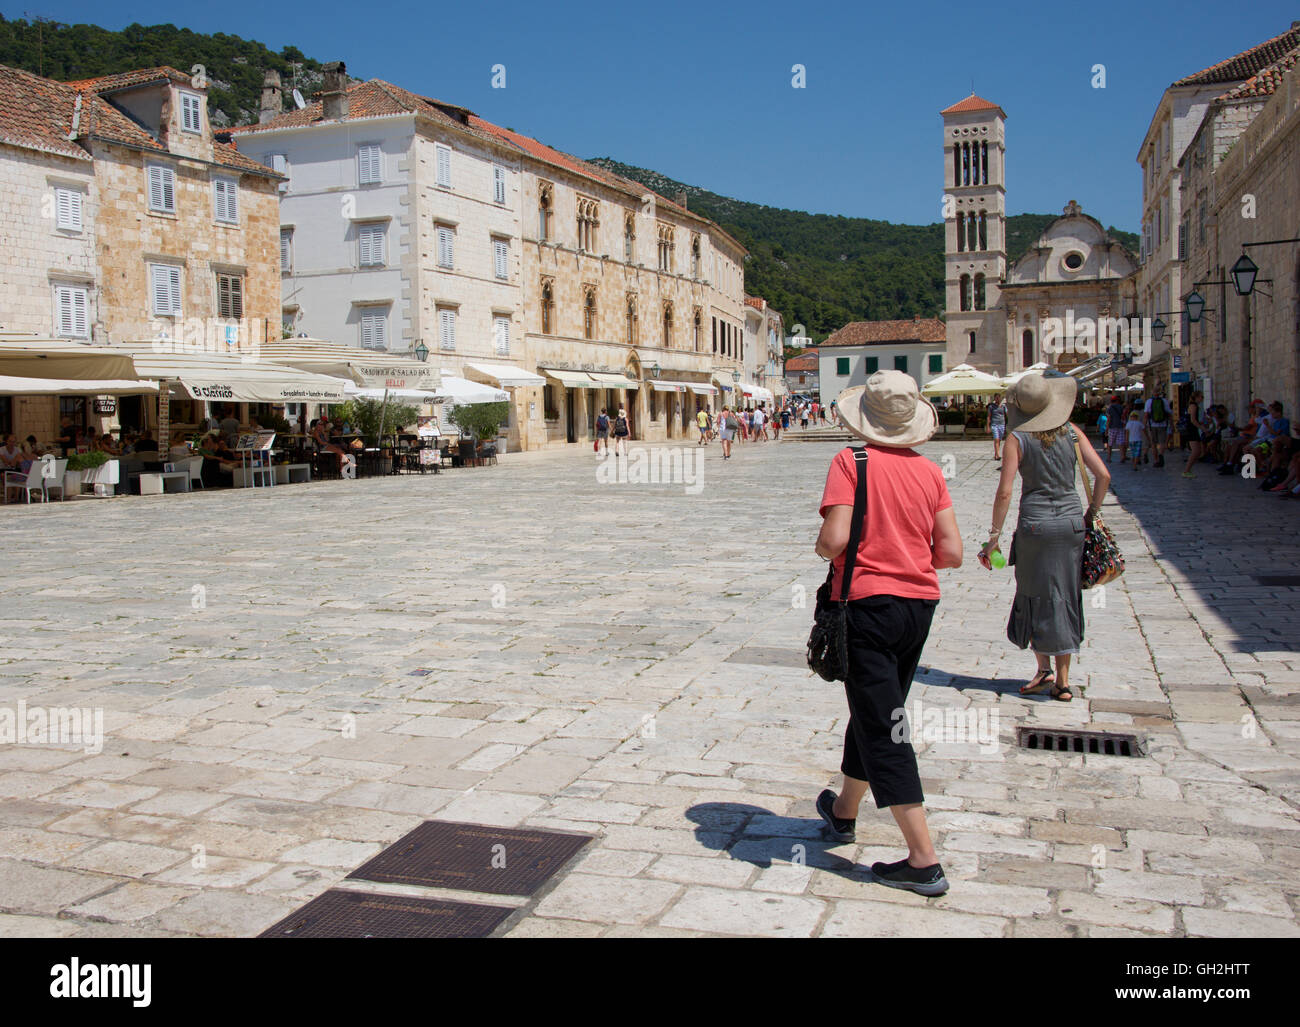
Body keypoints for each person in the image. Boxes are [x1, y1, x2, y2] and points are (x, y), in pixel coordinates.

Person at [814, 370, 962, 896]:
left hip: (866, 607)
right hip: (919, 607)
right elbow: (952, 552)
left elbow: (835, 538)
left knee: (885, 726)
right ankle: (844, 810)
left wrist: (825, 546)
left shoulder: (850, 462)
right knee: (880, 706)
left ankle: (923, 859)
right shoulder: (929, 473)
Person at [980, 372, 1110, 703]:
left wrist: (993, 537)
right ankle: (1063, 681)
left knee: (1035, 594)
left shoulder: (1016, 439)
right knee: (1065, 594)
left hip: (1034, 526)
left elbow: (1005, 491)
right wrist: (1092, 512)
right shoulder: (1074, 434)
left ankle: (1043, 671)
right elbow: (1103, 475)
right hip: (1070, 525)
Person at [1144, 388, 1170, 467]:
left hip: (1152, 425)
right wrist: (1171, 424)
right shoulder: (1164, 401)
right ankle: (1161, 454)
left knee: (1153, 443)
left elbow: (1146, 414)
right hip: (1163, 424)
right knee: (1162, 442)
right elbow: (1169, 413)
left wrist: (1144, 424)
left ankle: (1156, 460)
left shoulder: (1149, 401)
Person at [1181, 391, 1205, 478]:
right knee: (1195, 451)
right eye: (1201, 397)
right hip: (1192, 430)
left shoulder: (1192, 405)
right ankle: (1186, 470)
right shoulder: (1193, 406)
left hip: (1192, 430)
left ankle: (1188, 469)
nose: (1202, 399)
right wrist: (1202, 428)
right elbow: (1193, 420)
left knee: (1198, 451)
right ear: (1197, 397)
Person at [1104, 394, 1125, 462]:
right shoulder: (1121, 407)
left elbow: (1109, 419)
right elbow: (1123, 417)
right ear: (1117, 400)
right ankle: (1122, 457)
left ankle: (1109, 458)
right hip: (1120, 426)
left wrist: (1106, 429)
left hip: (1112, 427)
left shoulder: (1110, 408)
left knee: (1110, 443)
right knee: (1120, 443)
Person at [988, 395, 1007, 461]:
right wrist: (988, 426)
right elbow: (989, 416)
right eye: (996, 398)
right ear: (995, 398)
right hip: (994, 424)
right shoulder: (991, 406)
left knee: (999, 440)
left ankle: (996, 454)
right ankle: (997, 455)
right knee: (996, 439)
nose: (998, 399)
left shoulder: (1003, 406)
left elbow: (1005, 415)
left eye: (999, 397)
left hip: (1002, 424)